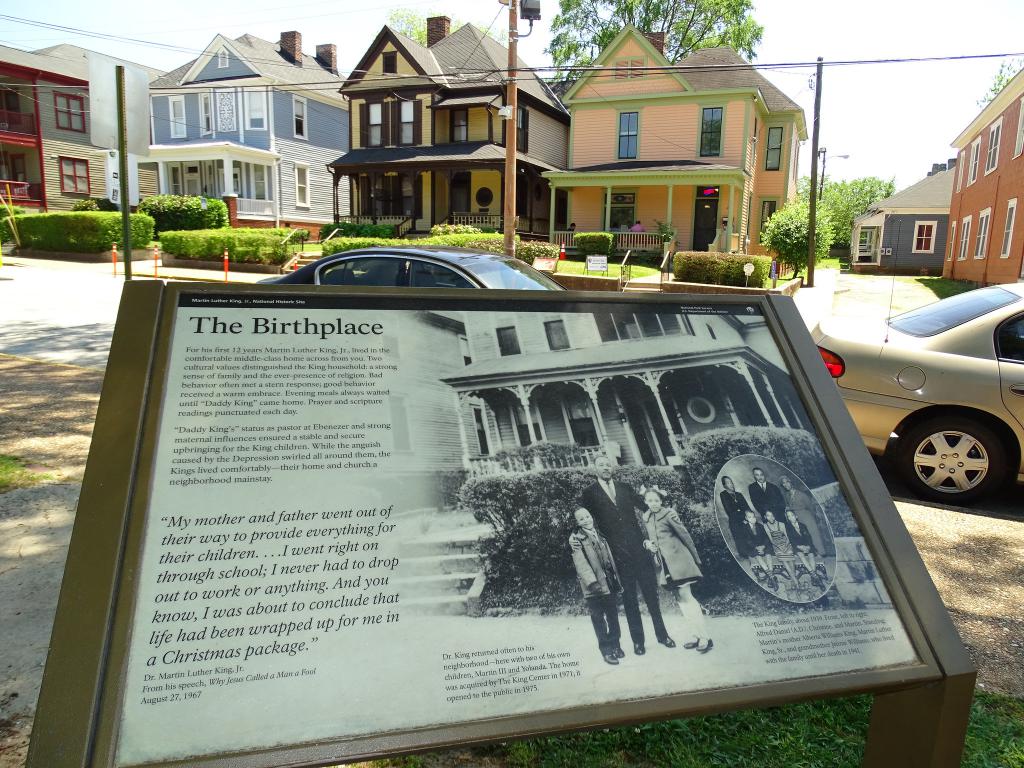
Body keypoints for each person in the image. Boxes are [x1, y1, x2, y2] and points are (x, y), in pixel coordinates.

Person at [580, 456, 674, 655]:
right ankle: (638, 642)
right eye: (601, 465)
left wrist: (667, 513)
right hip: (617, 557)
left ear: (612, 467)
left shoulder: (624, 487)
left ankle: (663, 635)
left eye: (608, 464)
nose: (605, 468)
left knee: (651, 596)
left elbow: (648, 508)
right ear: (594, 468)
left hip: (639, 550)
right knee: (630, 599)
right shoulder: (590, 493)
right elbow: (584, 520)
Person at [641, 487, 712, 654]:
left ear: (661, 501)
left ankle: (705, 637)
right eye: (650, 500)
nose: (654, 503)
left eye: (657, 500)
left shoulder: (669, 514)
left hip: (679, 561)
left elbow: (684, 534)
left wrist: (696, 558)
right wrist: (647, 544)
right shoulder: (647, 517)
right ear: (645, 502)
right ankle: (696, 636)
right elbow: (650, 537)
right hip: (665, 565)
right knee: (680, 599)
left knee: (687, 596)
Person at [569, 507, 623, 665]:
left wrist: (616, 579)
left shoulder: (600, 534)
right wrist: (592, 583)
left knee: (613, 616)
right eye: (581, 519)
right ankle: (606, 651)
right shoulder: (576, 539)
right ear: (577, 522)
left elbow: (609, 559)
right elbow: (580, 563)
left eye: (587, 516)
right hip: (593, 587)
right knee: (598, 618)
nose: (586, 520)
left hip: (609, 583)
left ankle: (616, 645)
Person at [779, 475, 826, 554]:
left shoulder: (801, 494)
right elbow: (789, 506)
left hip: (806, 517)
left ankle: (821, 552)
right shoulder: (787, 495)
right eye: (783, 483)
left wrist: (813, 517)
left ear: (791, 482)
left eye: (787, 482)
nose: (786, 484)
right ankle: (810, 552)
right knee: (803, 535)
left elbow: (810, 507)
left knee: (813, 533)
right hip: (796, 518)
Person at [784, 508, 828, 587]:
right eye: (788, 516)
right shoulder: (788, 528)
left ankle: (813, 576)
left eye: (792, 515)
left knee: (811, 555)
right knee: (801, 555)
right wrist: (800, 547)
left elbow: (809, 538)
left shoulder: (802, 525)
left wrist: (808, 546)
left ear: (796, 516)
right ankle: (814, 576)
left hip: (807, 545)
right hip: (797, 546)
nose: (791, 518)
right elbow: (791, 540)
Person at [735, 509, 777, 589]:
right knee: (757, 556)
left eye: (753, 517)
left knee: (768, 553)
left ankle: (771, 576)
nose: (753, 519)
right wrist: (757, 547)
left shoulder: (760, 526)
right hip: (754, 547)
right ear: (746, 518)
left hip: (763, 545)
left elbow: (766, 538)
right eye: (750, 517)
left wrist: (763, 546)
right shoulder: (744, 528)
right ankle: (772, 577)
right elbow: (747, 540)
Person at [718, 475, 755, 545]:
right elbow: (729, 510)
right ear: (724, 485)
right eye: (728, 483)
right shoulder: (723, 494)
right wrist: (743, 517)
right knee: (741, 540)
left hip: (745, 519)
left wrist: (747, 518)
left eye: (731, 482)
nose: (731, 484)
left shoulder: (739, 494)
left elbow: (747, 508)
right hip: (735, 521)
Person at [762, 510, 797, 584]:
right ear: (765, 517)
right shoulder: (766, 525)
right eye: (768, 515)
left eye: (772, 515)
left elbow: (786, 537)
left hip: (786, 543)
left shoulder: (781, 524)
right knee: (784, 561)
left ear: (774, 516)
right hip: (776, 546)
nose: (770, 517)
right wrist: (779, 547)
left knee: (791, 560)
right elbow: (771, 539)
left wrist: (787, 545)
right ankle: (795, 581)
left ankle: (793, 578)